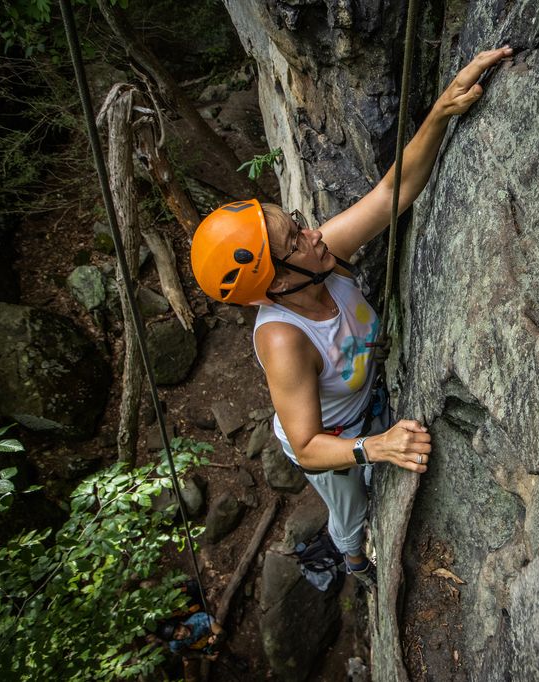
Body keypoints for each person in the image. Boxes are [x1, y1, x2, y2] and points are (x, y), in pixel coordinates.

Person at [190, 47, 513, 586]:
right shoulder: (284, 342)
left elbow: (393, 192)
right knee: (352, 512)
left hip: (363, 402)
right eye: (295, 237)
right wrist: (376, 447)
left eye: (296, 223)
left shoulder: (316, 260)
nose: (313, 232)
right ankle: (354, 561)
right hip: (332, 438)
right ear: (273, 282)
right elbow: (311, 445)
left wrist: (439, 111)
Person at [158, 612, 224, 660]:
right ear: (175, 639)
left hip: (212, 642)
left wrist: (217, 637)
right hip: (200, 651)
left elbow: (222, 632)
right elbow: (186, 654)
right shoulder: (175, 644)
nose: (181, 633)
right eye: (177, 636)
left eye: (179, 628)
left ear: (181, 623)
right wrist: (206, 657)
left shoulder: (200, 619)